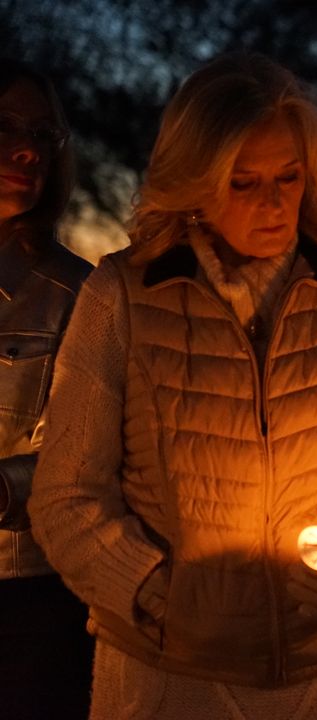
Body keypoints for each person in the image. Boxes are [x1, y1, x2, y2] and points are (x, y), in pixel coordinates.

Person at [29, 52, 317, 719]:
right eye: (244, 182)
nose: (274, 203)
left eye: (289, 176)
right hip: (173, 673)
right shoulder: (123, 298)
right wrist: (149, 589)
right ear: (196, 181)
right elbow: (66, 494)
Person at [0, 59, 94, 718]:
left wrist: (7, 486)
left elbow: (89, 448)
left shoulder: (76, 294)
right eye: (5, 127)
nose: (29, 149)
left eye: (43, 134)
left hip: (25, 596)